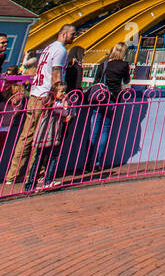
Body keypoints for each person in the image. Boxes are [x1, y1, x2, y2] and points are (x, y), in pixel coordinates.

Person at [4, 23, 77, 186]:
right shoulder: (60, 50)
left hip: (34, 94)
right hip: (45, 96)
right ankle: (34, 175)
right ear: (63, 34)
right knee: (41, 136)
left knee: (26, 136)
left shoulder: (48, 48)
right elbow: (56, 73)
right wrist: (58, 97)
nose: (74, 37)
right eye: (73, 34)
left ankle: (13, 175)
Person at [87, 41, 132, 171]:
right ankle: (97, 162)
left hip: (99, 99)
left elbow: (96, 81)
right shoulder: (124, 65)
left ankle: (88, 161)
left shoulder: (103, 64)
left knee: (93, 131)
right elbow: (127, 80)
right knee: (105, 130)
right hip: (111, 100)